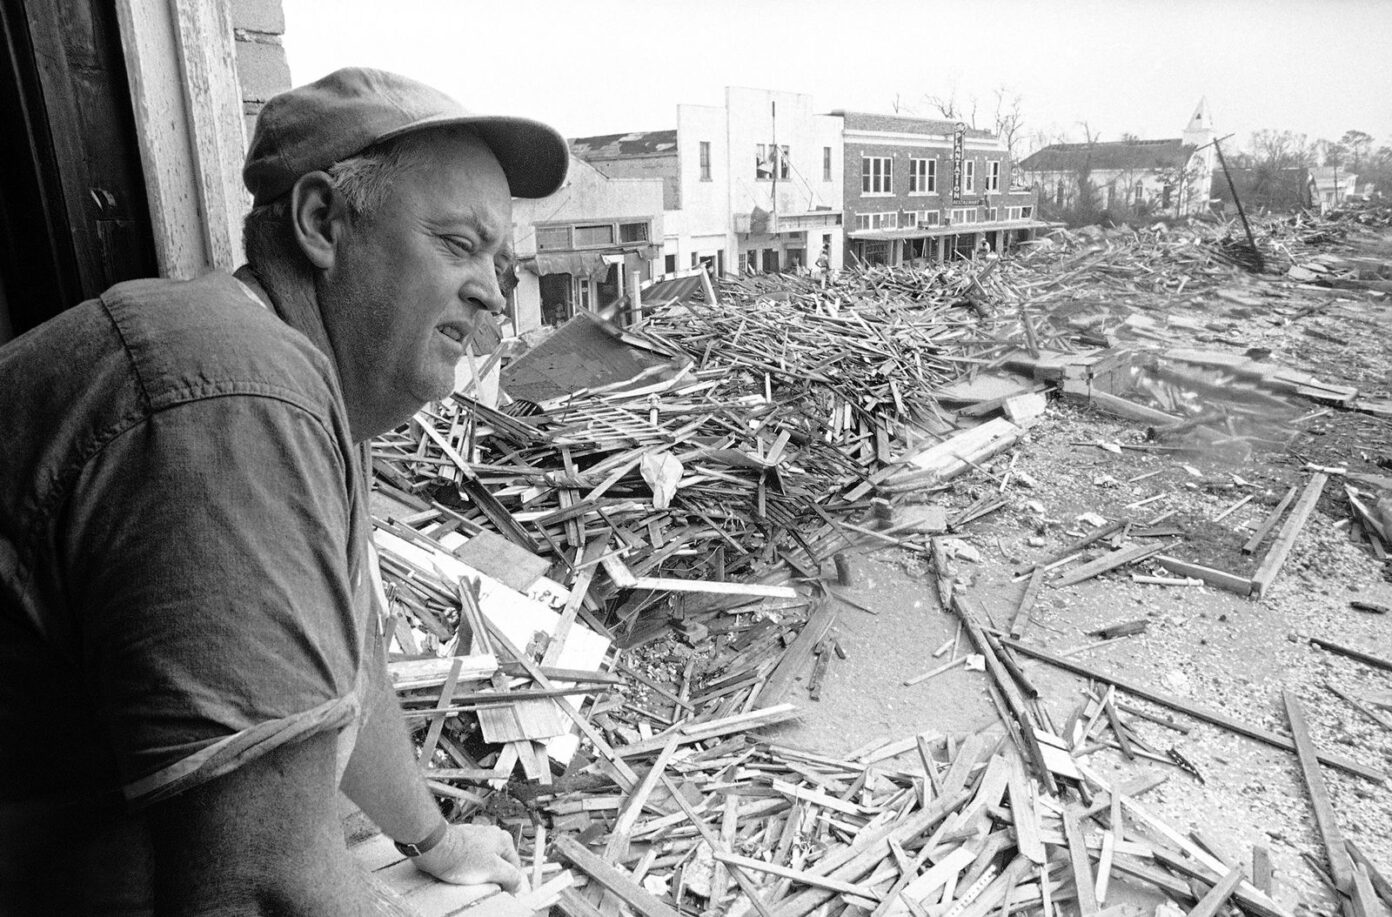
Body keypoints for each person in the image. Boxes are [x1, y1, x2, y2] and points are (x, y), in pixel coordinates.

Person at [0, 67, 568, 914]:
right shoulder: (234, 400)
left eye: (502, 260)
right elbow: (262, 884)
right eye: (458, 243)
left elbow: (347, 676)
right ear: (321, 222)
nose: (493, 289)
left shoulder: (301, 384)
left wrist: (436, 842)